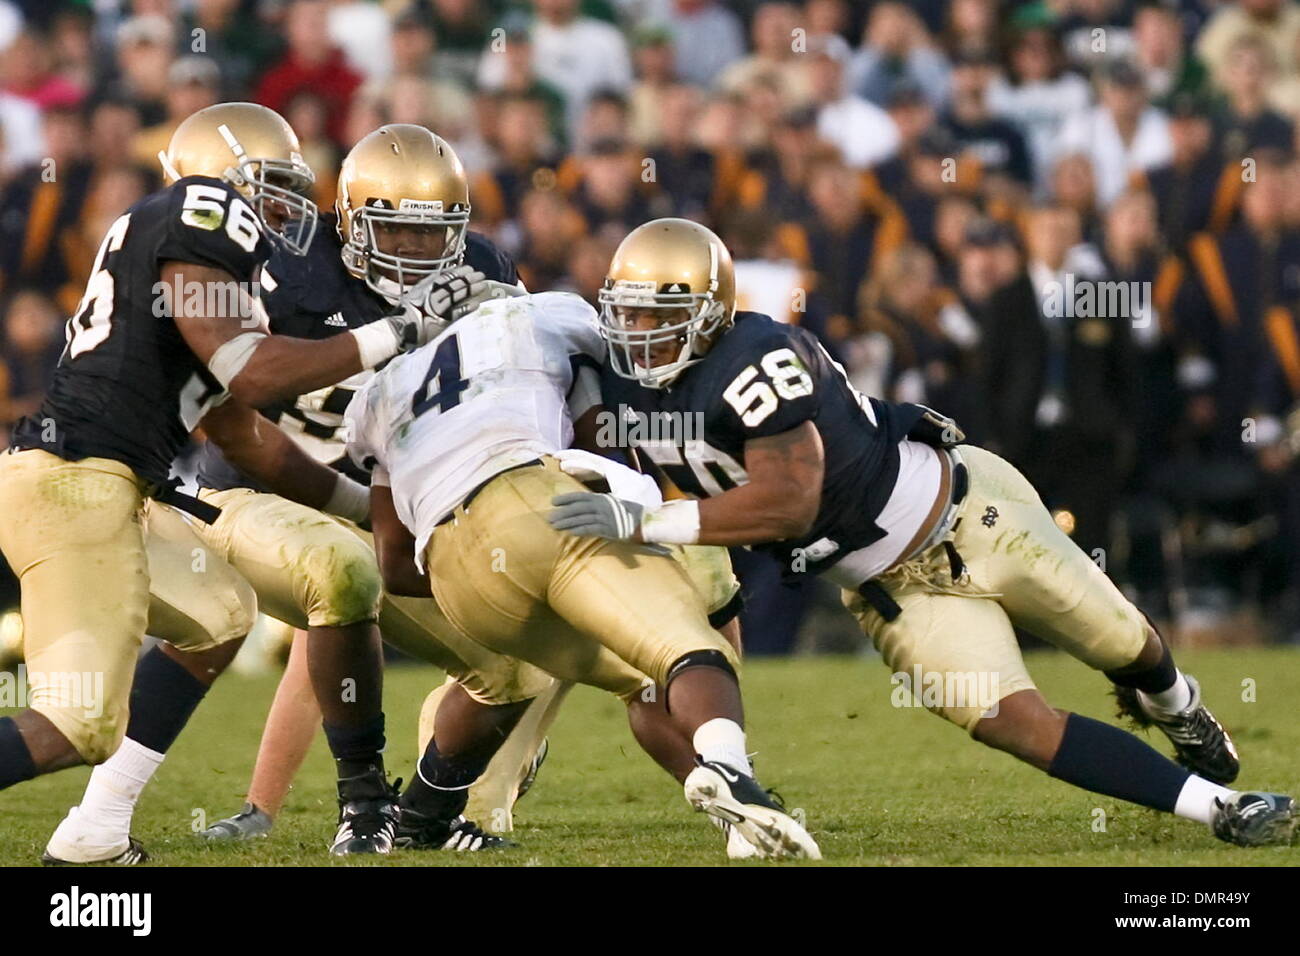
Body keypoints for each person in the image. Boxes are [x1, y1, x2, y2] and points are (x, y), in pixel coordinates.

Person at [548, 217, 1296, 848]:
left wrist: (653, 520)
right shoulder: (618, 381)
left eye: (656, 313)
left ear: (711, 308)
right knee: (1012, 722)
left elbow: (791, 502)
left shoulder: (758, 355)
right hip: (888, 590)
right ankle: (1222, 808)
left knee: (1120, 642)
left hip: (972, 515)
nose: (637, 332)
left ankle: (1177, 705)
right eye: (627, 311)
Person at [0, 103, 461, 863]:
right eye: (273, 186)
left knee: (219, 613)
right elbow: (253, 368)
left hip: (108, 485)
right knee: (77, 724)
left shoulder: (204, 267)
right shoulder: (199, 210)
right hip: (75, 484)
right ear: (228, 178)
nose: (285, 208)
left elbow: (247, 438)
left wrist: (361, 511)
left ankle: (94, 835)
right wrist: (399, 330)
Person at [346, 286, 820, 860]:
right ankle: (736, 785)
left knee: (534, 677)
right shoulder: (538, 315)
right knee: (673, 658)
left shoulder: (377, 395)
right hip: (542, 501)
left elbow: (394, 564)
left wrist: (487, 566)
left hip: (455, 569)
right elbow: (606, 438)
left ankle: (422, 815)